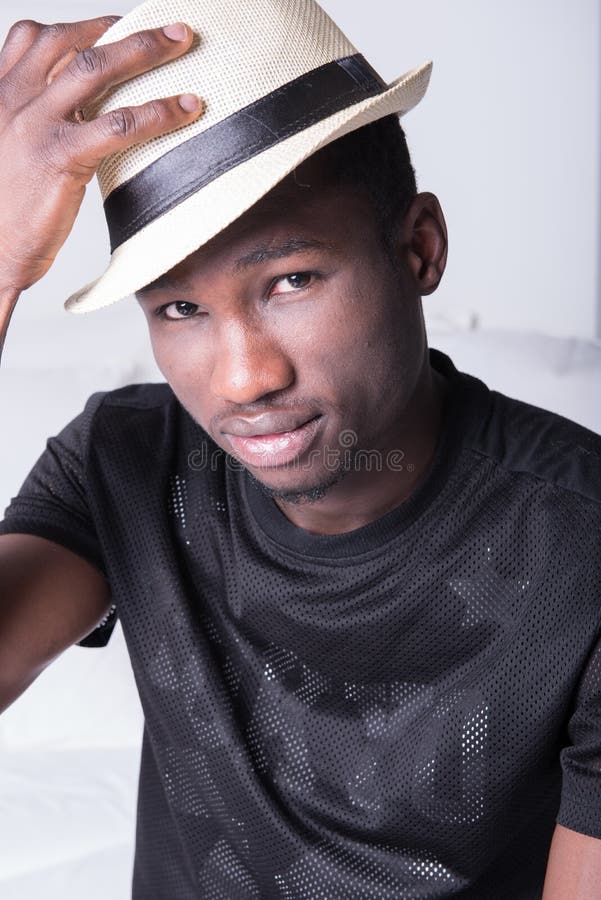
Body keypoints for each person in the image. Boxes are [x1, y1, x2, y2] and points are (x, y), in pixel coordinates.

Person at [0, 1, 600, 897]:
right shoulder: (126, 463)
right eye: (180, 308)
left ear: (420, 248)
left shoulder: (579, 543)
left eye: (291, 280)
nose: (243, 379)